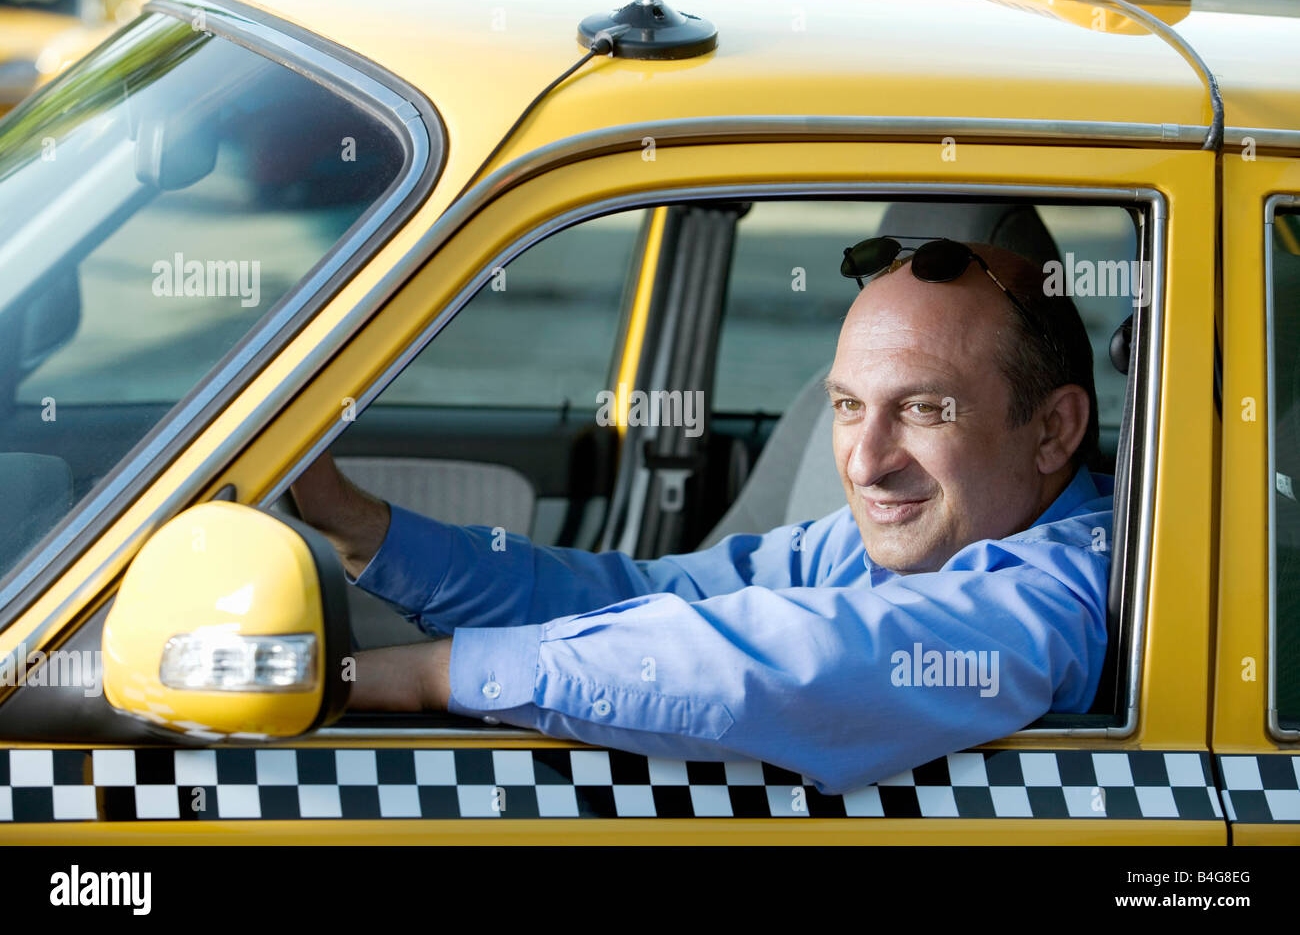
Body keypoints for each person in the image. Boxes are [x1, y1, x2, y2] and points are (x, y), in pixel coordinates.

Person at [290, 238, 1112, 796]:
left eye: (926, 410)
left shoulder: (1071, 586)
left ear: (1054, 430)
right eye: (848, 406)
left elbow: (802, 663)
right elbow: (646, 597)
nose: (865, 463)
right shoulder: (921, 534)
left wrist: (430, 676)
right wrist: (356, 525)